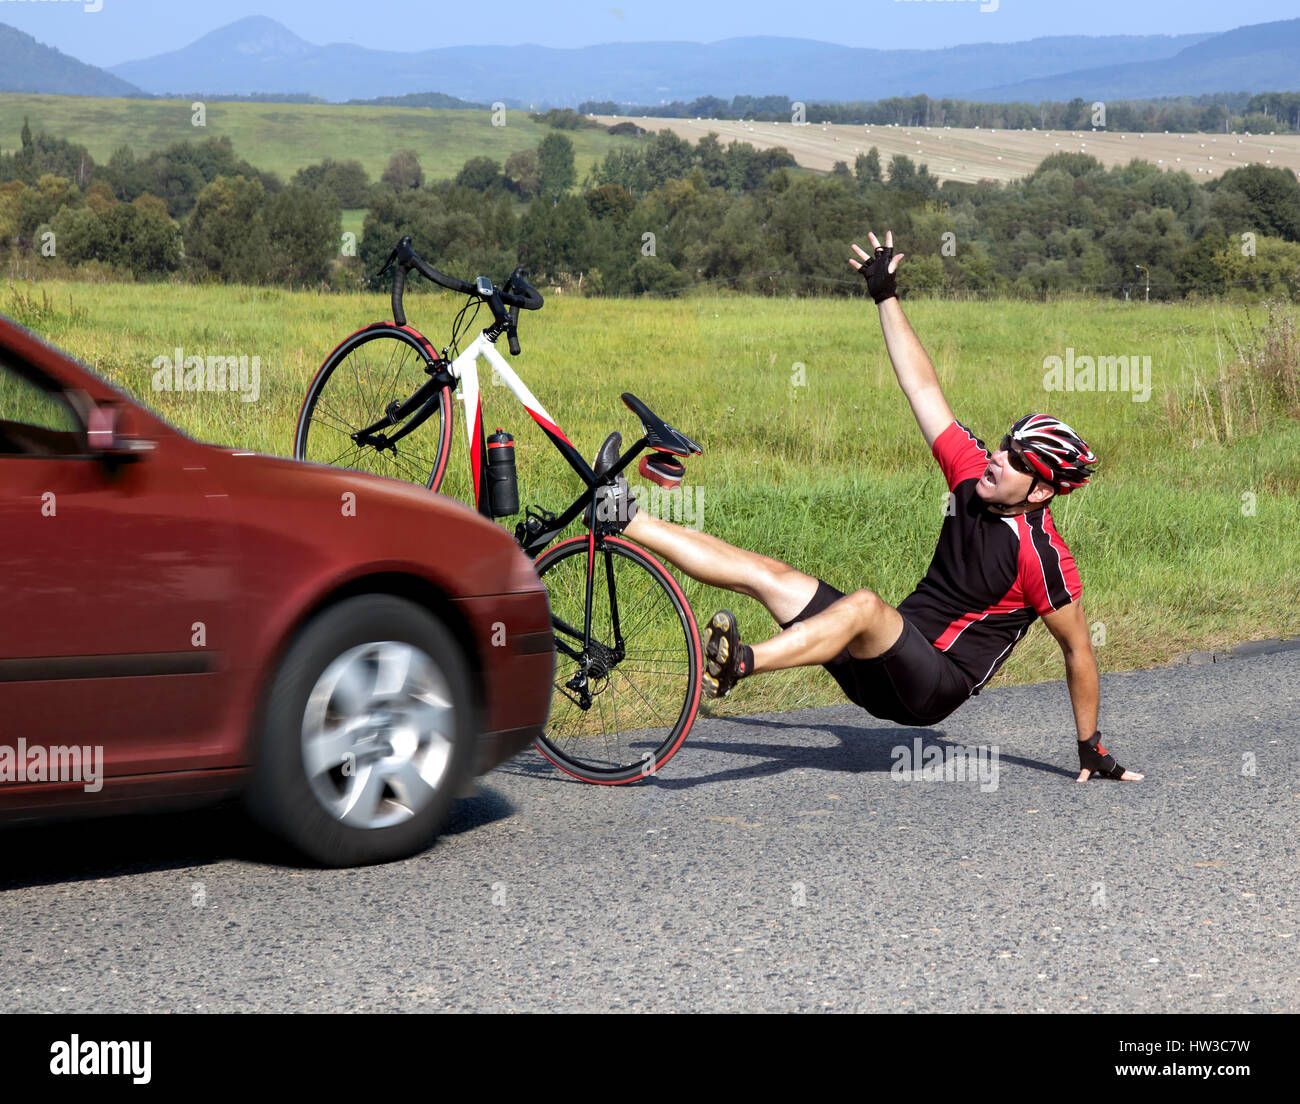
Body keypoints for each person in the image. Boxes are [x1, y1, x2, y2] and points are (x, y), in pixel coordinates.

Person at [591, 231, 1142, 783]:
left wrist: (1089, 744)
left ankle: (741, 664)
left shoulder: (1043, 558)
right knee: (768, 574)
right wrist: (885, 295)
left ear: (1042, 490)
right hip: (880, 657)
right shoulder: (973, 476)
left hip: (930, 688)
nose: (998, 457)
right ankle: (623, 515)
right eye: (1004, 443)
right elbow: (922, 390)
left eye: (1017, 460)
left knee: (864, 606)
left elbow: (1078, 651)